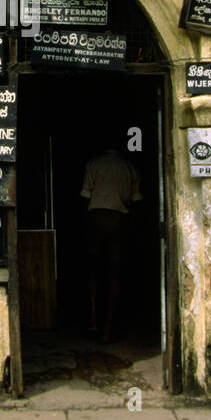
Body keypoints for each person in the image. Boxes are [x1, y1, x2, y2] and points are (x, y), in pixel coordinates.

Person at [80, 134, 141, 344]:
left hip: (95, 217)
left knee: (93, 269)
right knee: (115, 273)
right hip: (118, 219)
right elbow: (136, 201)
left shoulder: (94, 163)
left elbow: (85, 195)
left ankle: (93, 321)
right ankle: (107, 329)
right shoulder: (129, 167)